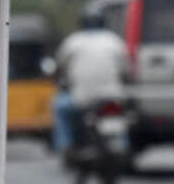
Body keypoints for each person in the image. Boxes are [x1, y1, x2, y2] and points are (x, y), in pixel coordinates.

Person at [51, 11, 128, 152]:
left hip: (82, 97)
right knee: (124, 118)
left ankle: (65, 146)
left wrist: (58, 78)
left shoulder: (73, 41)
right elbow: (126, 69)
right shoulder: (114, 41)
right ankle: (124, 146)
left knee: (59, 107)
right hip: (113, 96)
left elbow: (60, 66)